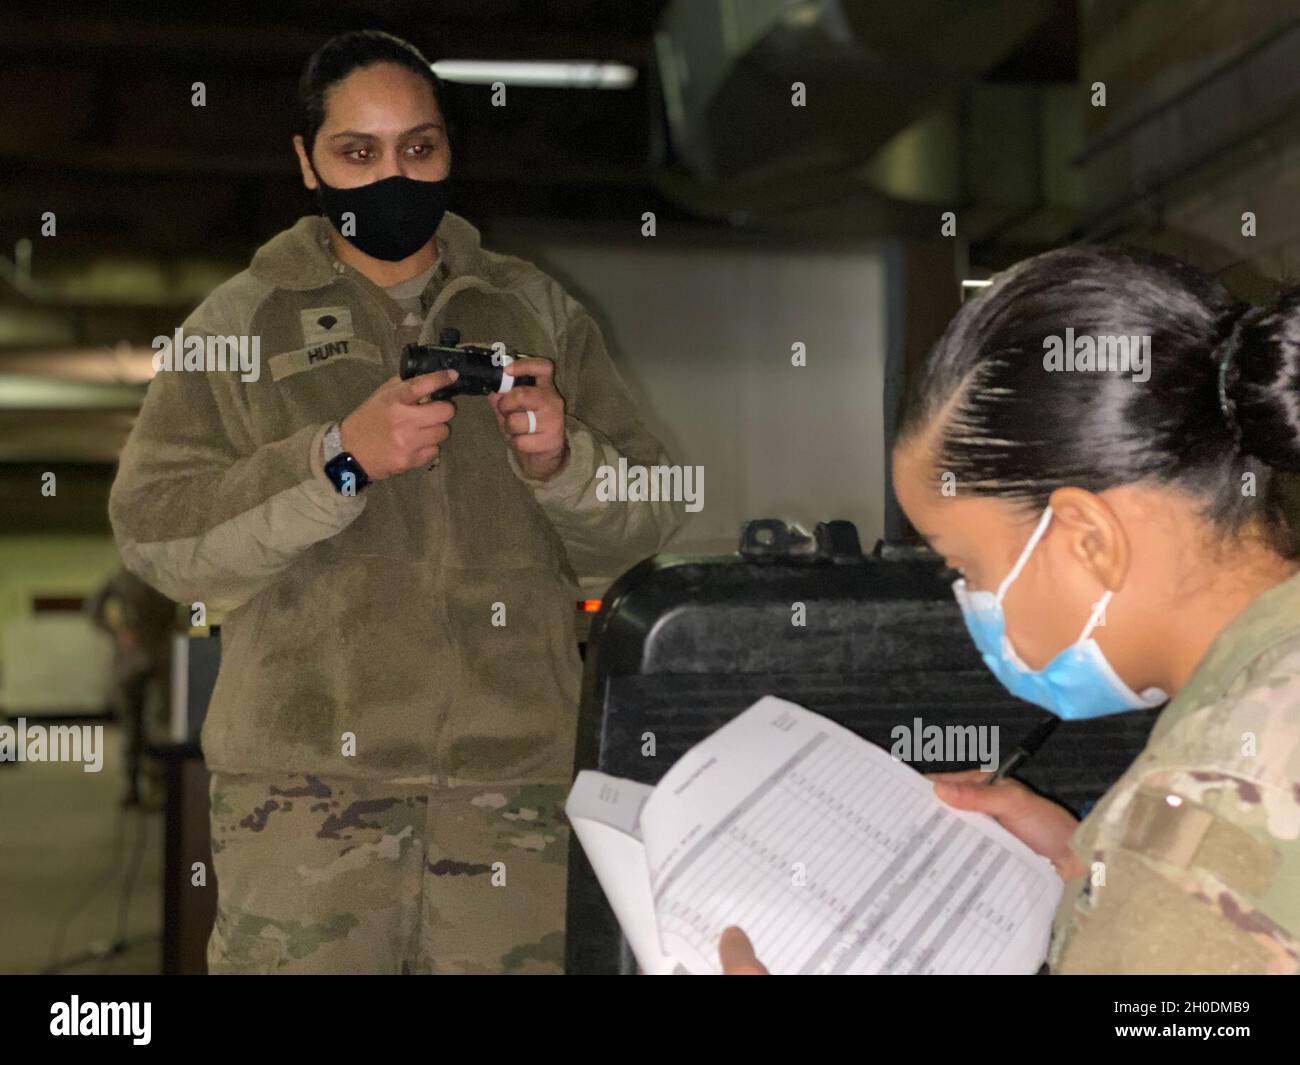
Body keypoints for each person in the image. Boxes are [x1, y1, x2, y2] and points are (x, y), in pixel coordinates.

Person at [110, 30, 684, 974]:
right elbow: (159, 534)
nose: (394, 175)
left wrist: (562, 464)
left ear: (451, 150)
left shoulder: (537, 309)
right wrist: (338, 461)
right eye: (358, 152)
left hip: (517, 802)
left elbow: (650, 517)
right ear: (307, 163)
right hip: (305, 808)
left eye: (419, 148)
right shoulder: (239, 323)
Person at [721, 245, 1300, 974]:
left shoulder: (1220, 787)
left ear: (1087, 540)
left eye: (965, 566)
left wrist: (1162, 885)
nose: (969, 599)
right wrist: (1096, 868)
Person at [86, 568, 177, 807]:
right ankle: (133, 785)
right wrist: (117, 632)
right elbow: (93, 610)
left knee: (158, 723)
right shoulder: (120, 579)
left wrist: (191, 631)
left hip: (162, 661)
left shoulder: (169, 573)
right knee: (132, 725)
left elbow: (197, 605)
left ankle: (157, 785)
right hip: (130, 662)